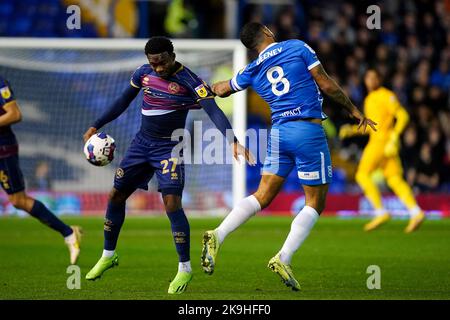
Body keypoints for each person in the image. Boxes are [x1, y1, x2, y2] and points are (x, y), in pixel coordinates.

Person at [201, 22, 376, 291]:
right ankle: (283, 257)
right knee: (315, 202)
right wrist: (353, 110)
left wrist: (204, 89)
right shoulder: (296, 46)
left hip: (279, 134)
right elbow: (326, 84)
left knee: (262, 196)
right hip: (307, 130)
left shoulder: (252, 69)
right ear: (268, 32)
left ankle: (218, 234)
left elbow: (224, 88)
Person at [83, 36, 253, 294]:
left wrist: (233, 141)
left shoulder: (190, 81)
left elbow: (213, 110)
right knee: (116, 195)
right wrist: (96, 125)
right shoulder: (143, 74)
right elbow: (122, 101)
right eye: (153, 64)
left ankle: (184, 269)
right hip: (141, 145)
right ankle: (109, 254)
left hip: (169, 148)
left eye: (162, 62)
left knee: (172, 204)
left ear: (172, 56)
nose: (158, 68)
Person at [0, 76, 81, 264]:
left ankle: (69, 233)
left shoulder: (1, 83)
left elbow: (14, 114)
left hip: (3, 150)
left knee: (18, 200)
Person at [340, 69, 426, 232]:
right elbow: (372, 127)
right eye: (368, 78)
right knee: (394, 179)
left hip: (381, 143)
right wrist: (352, 129)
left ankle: (380, 211)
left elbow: (403, 116)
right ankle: (416, 212)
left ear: (380, 78)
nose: (370, 80)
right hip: (384, 143)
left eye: (374, 77)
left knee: (362, 174)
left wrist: (394, 136)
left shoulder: (386, 95)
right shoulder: (369, 99)